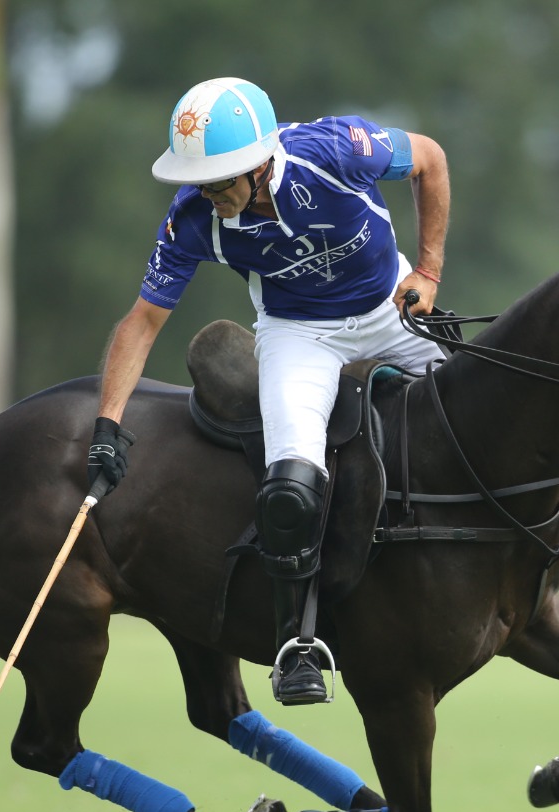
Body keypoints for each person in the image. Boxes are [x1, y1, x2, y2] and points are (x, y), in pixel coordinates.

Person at [88, 77, 450, 706]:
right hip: (298, 334)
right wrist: (107, 425)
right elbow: (141, 322)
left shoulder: (335, 151)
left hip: (389, 308)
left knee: (465, 421)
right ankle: (298, 646)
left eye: (219, 181)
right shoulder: (193, 217)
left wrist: (429, 269)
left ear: (259, 165)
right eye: (199, 181)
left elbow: (430, 159)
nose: (208, 194)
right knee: (290, 489)